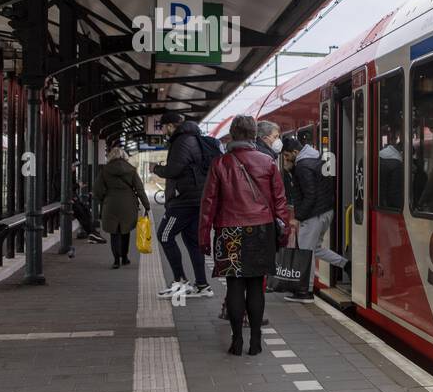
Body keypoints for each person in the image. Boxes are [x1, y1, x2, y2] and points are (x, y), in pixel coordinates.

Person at [199, 115, 290, 356]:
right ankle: (256, 342)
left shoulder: (220, 163)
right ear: (253, 135)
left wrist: (203, 235)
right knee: (256, 286)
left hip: (229, 230)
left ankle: (237, 340)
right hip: (261, 229)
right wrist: (284, 232)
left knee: (235, 285)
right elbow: (280, 202)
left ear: (232, 134)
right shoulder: (268, 162)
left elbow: (208, 203)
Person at [154, 111, 215, 298]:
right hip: (196, 199)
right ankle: (203, 285)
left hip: (184, 201)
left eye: (163, 127)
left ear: (171, 126)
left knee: (164, 235)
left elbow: (174, 170)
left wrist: (156, 168)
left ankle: (180, 282)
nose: (163, 131)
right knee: (192, 242)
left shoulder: (182, 141)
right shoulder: (193, 138)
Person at [283, 136, 348, 302]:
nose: (285, 159)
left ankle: (305, 291)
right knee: (315, 248)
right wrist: (291, 170)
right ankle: (346, 265)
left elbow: (309, 195)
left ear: (296, 152)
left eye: (287, 155)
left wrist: (298, 217)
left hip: (313, 215)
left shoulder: (303, 167)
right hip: (326, 212)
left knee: (305, 253)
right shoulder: (315, 158)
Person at [93, 146, 150, 268]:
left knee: (114, 233)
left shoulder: (105, 170)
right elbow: (139, 189)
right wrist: (147, 205)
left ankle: (116, 260)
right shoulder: (131, 170)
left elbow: (97, 190)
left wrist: (105, 199)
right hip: (128, 204)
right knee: (125, 231)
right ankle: (124, 257)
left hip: (111, 203)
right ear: (124, 156)